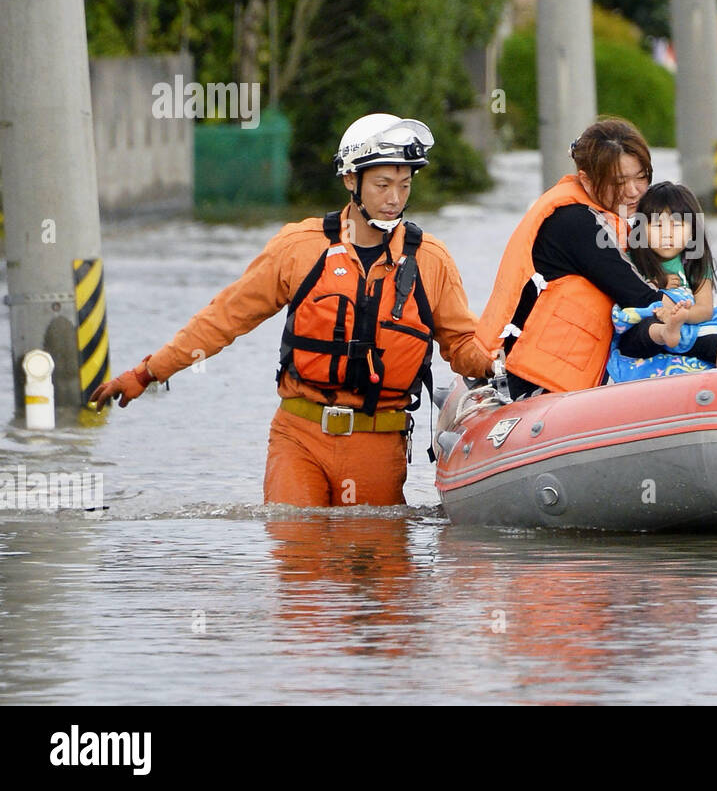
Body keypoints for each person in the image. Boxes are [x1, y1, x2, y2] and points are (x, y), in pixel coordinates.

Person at [90, 114, 492, 507]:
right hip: (300, 437)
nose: (395, 199)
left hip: (379, 441)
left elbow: (464, 346)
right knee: (297, 553)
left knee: (378, 565)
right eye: (383, 184)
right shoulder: (299, 248)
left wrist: (506, 362)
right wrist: (148, 372)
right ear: (351, 180)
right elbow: (223, 319)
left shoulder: (431, 261)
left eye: (404, 186)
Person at [474, 117, 688, 399]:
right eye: (620, 181)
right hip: (527, 386)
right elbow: (639, 296)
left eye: (641, 177)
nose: (635, 190)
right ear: (586, 179)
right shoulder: (575, 222)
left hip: (569, 389)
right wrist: (702, 319)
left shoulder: (618, 223)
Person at [606, 182, 717, 381]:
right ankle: (666, 331)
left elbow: (705, 309)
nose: (667, 233)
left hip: (689, 325)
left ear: (693, 231)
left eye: (677, 225)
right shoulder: (631, 260)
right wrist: (655, 287)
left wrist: (681, 315)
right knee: (642, 329)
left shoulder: (694, 263)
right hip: (651, 329)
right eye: (657, 225)